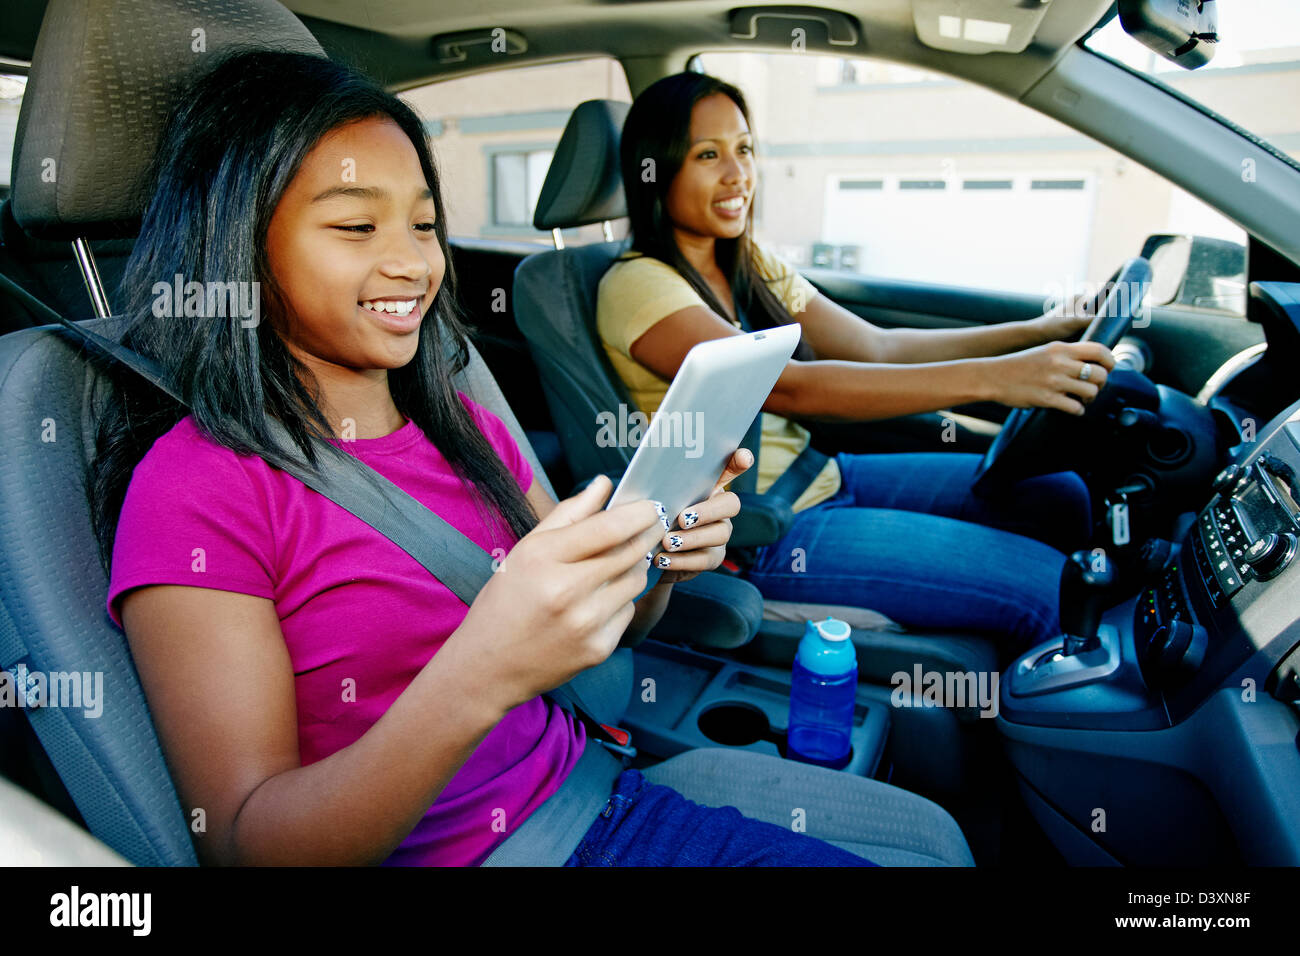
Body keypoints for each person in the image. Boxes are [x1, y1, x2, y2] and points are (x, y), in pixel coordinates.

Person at [90, 50, 879, 867]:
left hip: (603, 793)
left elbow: (596, 635)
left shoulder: (465, 425)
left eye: (424, 224)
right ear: (240, 246)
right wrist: (482, 672)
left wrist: (663, 564)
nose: (412, 261)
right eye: (358, 225)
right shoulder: (196, 490)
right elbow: (245, 846)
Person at [597, 71, 1119, 650]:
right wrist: (1000, 379)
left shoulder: (746, 261)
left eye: (744, 149)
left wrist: (1039, 332)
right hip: (758, 528)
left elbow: (877, 346)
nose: (737, 173)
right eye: (708, 154)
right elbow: (789, 389)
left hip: (820, 476)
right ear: (657, 167)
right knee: (1050, 591)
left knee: (1061, 496)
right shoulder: (637, 285)